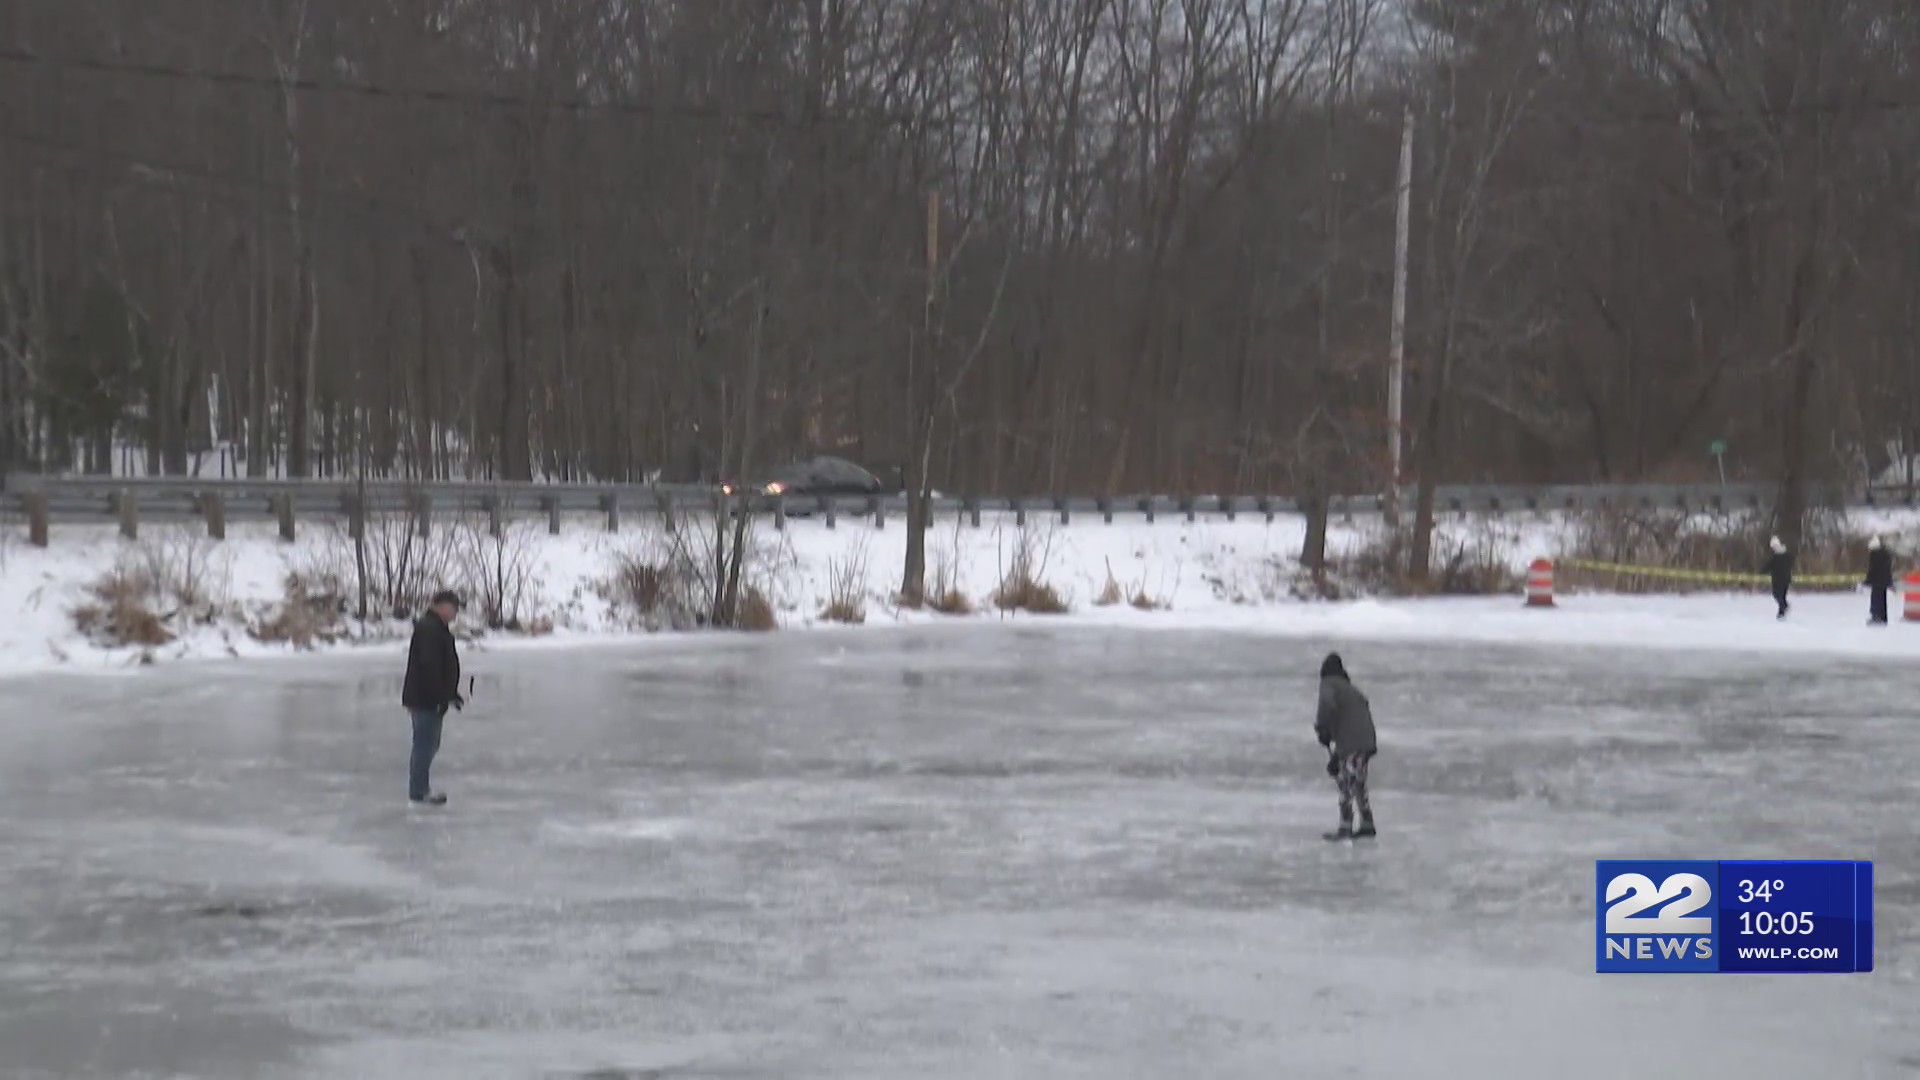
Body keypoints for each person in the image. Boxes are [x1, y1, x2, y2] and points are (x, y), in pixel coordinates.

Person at [401, 590, 465, 805]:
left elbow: (443, 666)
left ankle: (420, 788)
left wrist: (450, 695)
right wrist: (440, 697)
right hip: (425, 699)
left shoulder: (437, 628)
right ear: (443, 605)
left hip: (430, 698)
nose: (455, 614)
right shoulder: (429, 628)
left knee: (429, 744)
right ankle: (418, 792)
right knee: (424, 745)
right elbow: (429, 667)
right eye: (454, 608)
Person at [1315, 652, 1378, 841]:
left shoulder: (1329, 684)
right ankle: (1367, 822)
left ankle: (1346, 825)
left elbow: (1328, 705)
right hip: (1365, 742)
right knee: (1358, 782)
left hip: (1352, 744)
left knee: (1345, 783)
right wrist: (1336, 755)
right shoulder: (1351, 690)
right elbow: (1351, 722)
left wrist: (1322, 727)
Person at [1865, 536, 1894, 625]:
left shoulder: (1874, 555)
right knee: (1882, 599)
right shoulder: (1886, 554)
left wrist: (1868, 580)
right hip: (1884, 581)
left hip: (1876, 581)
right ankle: (1883, 617)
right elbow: (1887, 568)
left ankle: (1876, 616)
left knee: (1875, 599)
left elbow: (1873, 569)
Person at [1765, 536, 1793, 620]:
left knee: (1777, 594)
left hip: (1778, 579)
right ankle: (1781, 613)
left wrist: (1761, 571)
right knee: (1782, 596)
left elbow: (1769, 566)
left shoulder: (1776, 557)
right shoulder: (1787, 555)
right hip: (1786, 578)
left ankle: (1784, 607)